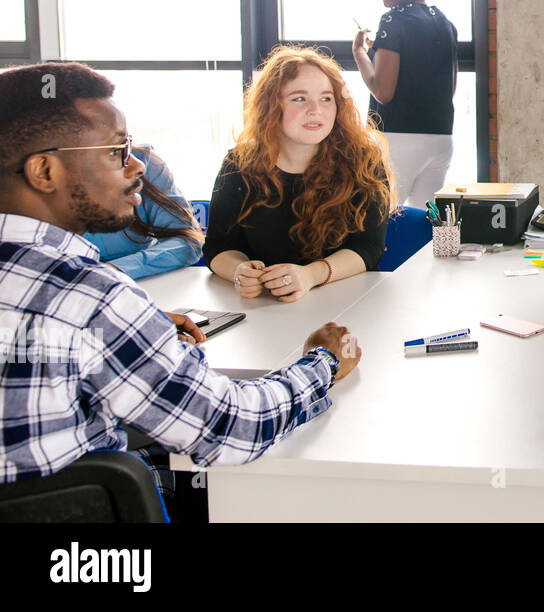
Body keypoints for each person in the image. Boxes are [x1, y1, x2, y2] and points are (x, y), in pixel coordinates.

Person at [0, 62, 361, 515]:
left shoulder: (89, 307)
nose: (135, 165)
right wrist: (324, 362)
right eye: (116, 151)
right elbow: (235, 426)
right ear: (44, 171)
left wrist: (136, 337)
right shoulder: (91, 299)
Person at [204, 46, 395, 300]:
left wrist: (310, 276)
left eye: (326, 98)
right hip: (264, 309)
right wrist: (239, 271)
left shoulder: (364, 162)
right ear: (271, 106)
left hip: (344, 304)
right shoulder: (238, 164)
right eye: (299, 98)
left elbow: (368, 248)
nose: (316, 110)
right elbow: (219, 247)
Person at [353, 0, 459, 206]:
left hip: (397, 139)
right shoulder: (446, 24)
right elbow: (447, 90)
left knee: (381, 222)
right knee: (424, 227)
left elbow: (383, 92)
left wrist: (362, 56)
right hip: (440, 138)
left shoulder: (392, 20)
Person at [83, 144, 202, 280]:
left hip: (142, 287)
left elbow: (188, 241)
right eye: (114, 151)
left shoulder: (144, 161)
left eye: (126, 142)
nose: (139, 166)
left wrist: (114, 270)